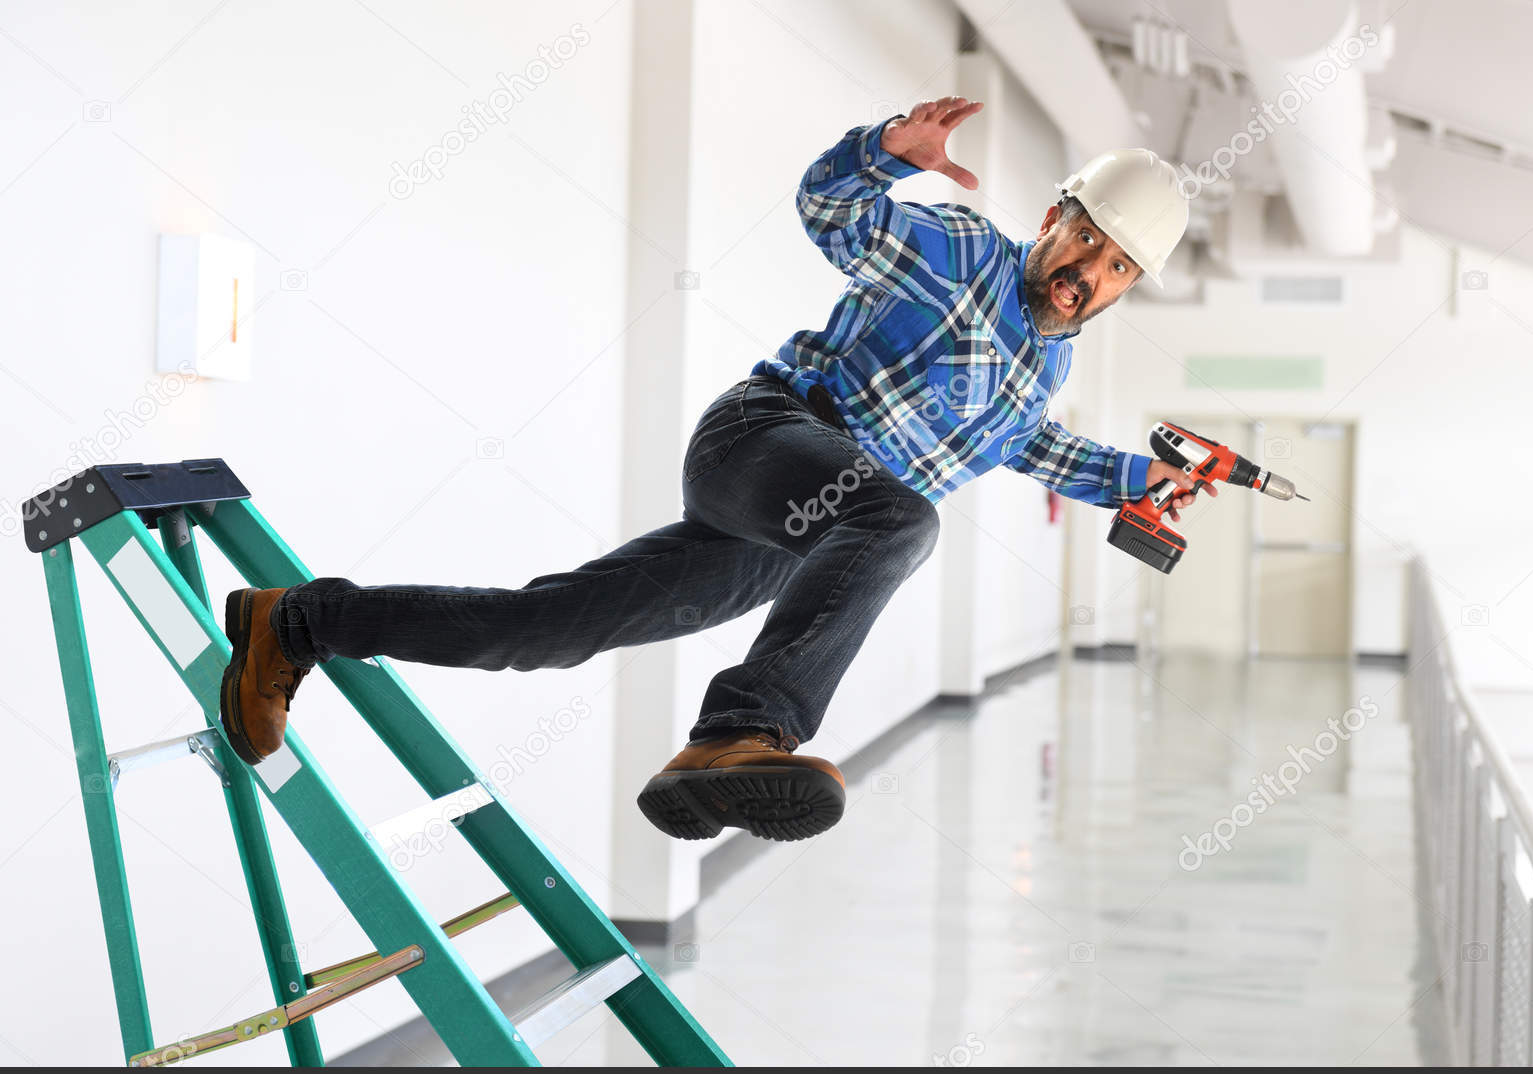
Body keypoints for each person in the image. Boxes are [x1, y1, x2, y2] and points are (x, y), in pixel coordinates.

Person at [219, 96, 1210, 844]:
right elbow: (830, 213)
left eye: (1116, 266)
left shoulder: (1050, 359)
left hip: (795, 539)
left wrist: (1140, 479)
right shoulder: (957, 249)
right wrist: (879, 155)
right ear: (1053, 214)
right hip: (764, 440)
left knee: (544, 629)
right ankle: (746, 731)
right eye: (1084, 237)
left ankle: (295, 623)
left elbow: (1021, 445)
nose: (1087, 270)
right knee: (903, 524)